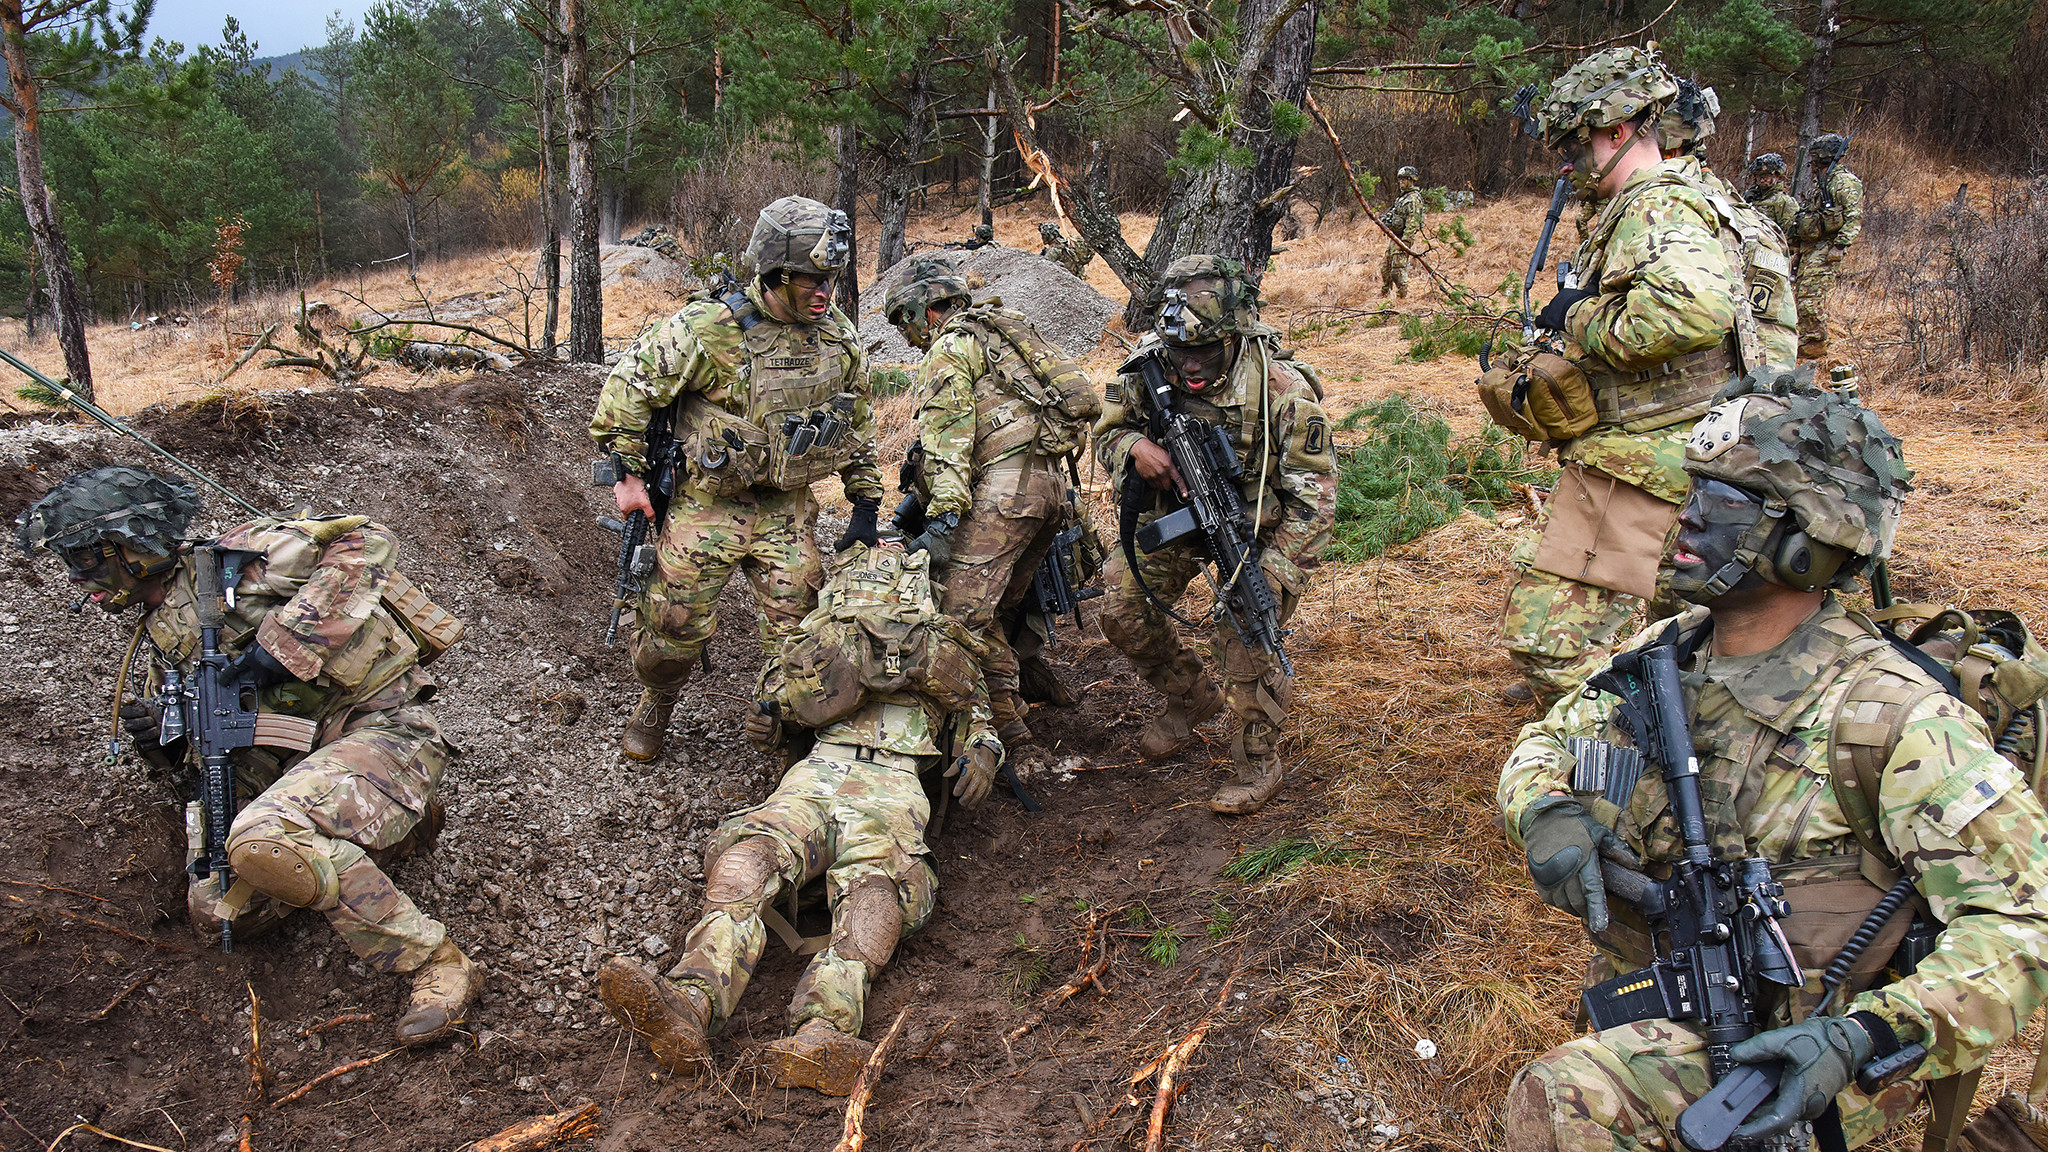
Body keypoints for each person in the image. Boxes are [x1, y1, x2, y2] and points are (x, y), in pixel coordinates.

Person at [1497, 374, 2048, 1151]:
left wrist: (1869, 1034)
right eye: (1692, 490)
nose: (1683, 516)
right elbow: (1548, 742)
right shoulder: (1665, 652)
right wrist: (1547, 811)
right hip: (1665, 1000)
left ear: (1804, 543)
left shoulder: (1895, 720)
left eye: (1723, 502)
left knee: (1568, 1098)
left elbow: (2023, 924)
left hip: (1820, 1057)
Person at [17, 467, 478, 1047]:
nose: (78, 578)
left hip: (381, 732)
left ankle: (434, 963)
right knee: (223, 915)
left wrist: (281, 646)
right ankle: (386, 829)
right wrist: (162, 743)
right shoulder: (160, 635)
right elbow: (213, 747)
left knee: (265, 838)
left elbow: (366, 540)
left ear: (133, 546)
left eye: (87, 561)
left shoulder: (239, 563)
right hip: (295, 767)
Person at [596, 542, 1001, 1094]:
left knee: (875, 900)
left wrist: (983, 753)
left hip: (894, 785)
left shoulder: (942, 646)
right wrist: (769, 725)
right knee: (746, 861)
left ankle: (823, 1033)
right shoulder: (815, 641)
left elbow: (979, 712)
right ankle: (689, 1001)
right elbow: (774, 703)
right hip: (816, 774)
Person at [1499, 46, 1789, 709]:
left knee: (1550, 639)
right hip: (1676, 449)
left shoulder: (1656, 204)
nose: (1567, 161)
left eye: (1575, 142)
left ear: (1617, 129)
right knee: (1683, 623)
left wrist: (1580, 317)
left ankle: (1612, 766)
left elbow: (1691, 312)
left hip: (1643, 455)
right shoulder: (1664, 200)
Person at [589, 195, 882, 762]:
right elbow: (627, 391)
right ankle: (657, 702)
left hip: (788, 511)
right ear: (774, 273)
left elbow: (856, 422)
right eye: (810, 279)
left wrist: (865, 506)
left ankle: (780, 717)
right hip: (706, 509)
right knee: (672, 626)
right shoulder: (708, 329)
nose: (825, 292)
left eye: (831, 279)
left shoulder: (838, 338)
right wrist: (629, 478)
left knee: (801, 633)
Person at [1093, 255, 1336, 814]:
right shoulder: (1147, 368)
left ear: (1232, 337)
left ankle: (1257, 761)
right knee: (1122, 609)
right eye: (1182, 355)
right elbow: (1107, 431)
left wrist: (1276, 569)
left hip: (1254, 530)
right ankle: (1189, 697)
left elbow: (1316, 499)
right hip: (1177, 518)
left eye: (1204, 353)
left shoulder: (1282, 391)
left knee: (1248, 631)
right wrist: (1135, 449)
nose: (1192, 367)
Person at [881, 253, 1101, 754]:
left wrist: (942, 523)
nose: (905, 335)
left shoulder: (949, 349)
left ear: (926, 310)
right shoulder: (1004, 332)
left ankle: (999, 731)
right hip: (1051, 493)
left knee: (957, 615)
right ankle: (1019, 696)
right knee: (1001, 605)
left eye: (904, 322)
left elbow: (948, 446)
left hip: (1006, 498)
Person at [1792, 133, 1864, 360]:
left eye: (1814, 157)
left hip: (1827, 246)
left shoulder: (1843, 182)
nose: (1811, 163)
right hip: (1810, 246)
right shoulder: (1823, 180)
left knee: (1810, 297)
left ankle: (1815, 343)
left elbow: (1854, 218)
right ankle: (1807, 337)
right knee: (1802, 293)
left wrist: (1839, 246)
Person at [1379, 166, 1426, 299]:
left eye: (1404, 179)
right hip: (1394, 237)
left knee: (1397, 270)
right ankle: (1385, 296)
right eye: (1400, 179)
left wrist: (1406, 242)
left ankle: (1402, 298)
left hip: (1402, 239)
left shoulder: (1413, 199)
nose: (1401, 182)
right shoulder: (1402, 198)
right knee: (1385, 268)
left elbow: (1413, 222)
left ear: (1411, 180)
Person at [1745, 152, 1800, 239]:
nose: (1762, 180)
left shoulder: (1784, 201)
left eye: (1766, 176)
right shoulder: (1750, 198)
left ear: (1776, 176)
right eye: (1759, 176)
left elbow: (1789, 233)